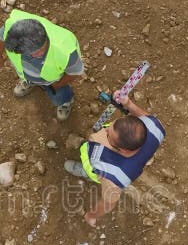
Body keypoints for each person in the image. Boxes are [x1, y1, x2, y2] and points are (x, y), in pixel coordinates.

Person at [64, 91, 165, 227]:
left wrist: (92, 215)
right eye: (111, 128)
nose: (105, 131)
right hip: (111, 154)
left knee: (90, 171)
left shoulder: (113, 179)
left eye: (108, 136)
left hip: (98, 168)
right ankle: (86, 149)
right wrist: (128, 104)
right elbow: (145, 116)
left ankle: (84, 171)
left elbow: (108, 203)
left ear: (122, 150)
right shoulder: (155, 127)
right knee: (96, 138)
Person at [0, 9, 84, 121]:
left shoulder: (66, 51)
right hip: (27, 74)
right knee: (28, 76)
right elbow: (2, 38)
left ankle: (64, 102)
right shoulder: (14, 25)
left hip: (53, 82)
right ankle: (30, 80)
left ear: (38, 52)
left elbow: (73, 73)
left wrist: (56, 85)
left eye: (25, 53)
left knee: (59, 96)